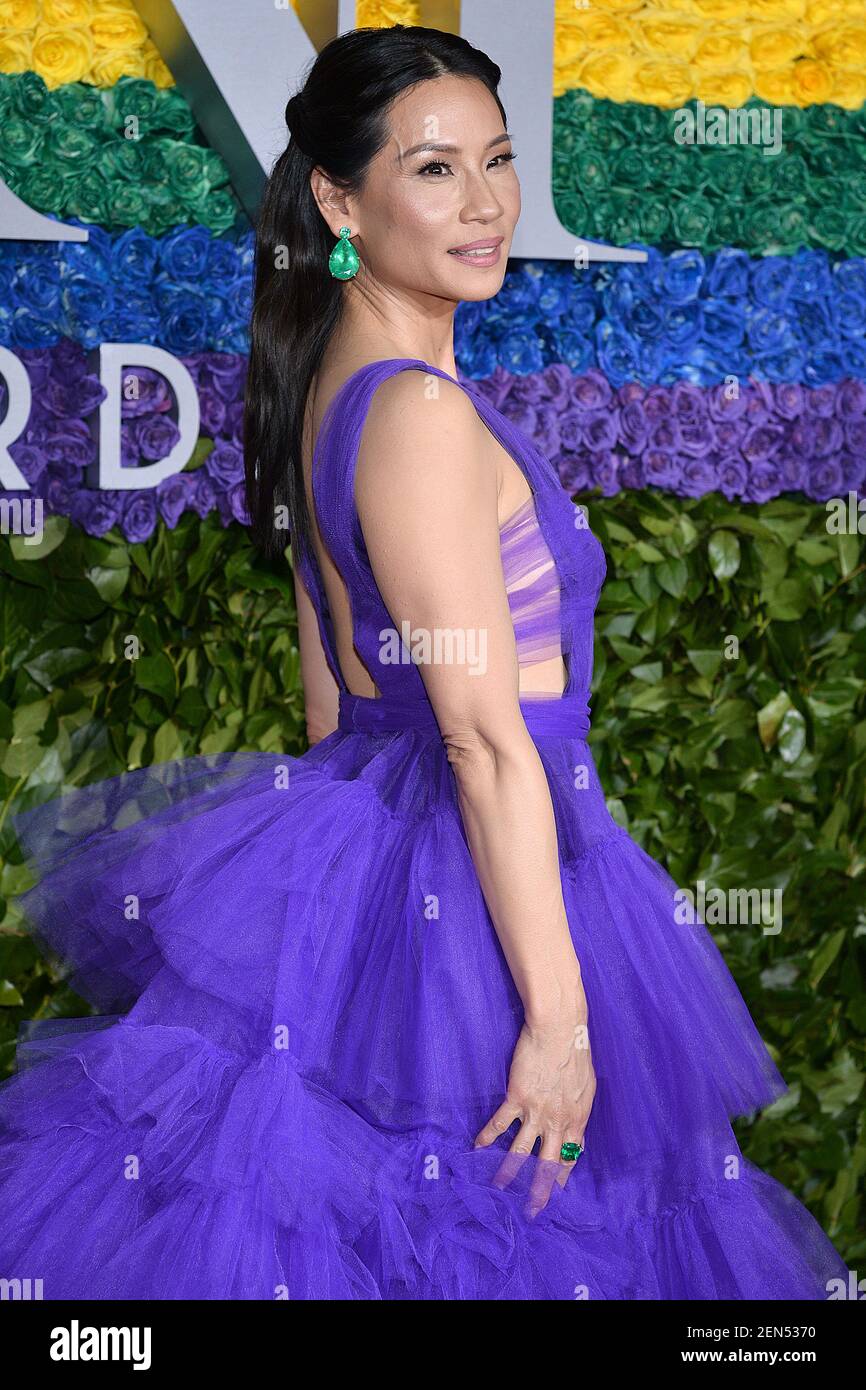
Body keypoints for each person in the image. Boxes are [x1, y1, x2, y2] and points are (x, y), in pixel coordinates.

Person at [0, 25, 850, 1300]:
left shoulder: (325, 393)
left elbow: (335, 704)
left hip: (389, 875)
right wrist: (557, 1024)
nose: (488, 203)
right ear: (340, 200)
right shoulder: (416, 411)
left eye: (497, 161)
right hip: (484, 882)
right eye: (436, 169)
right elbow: (482, 736)